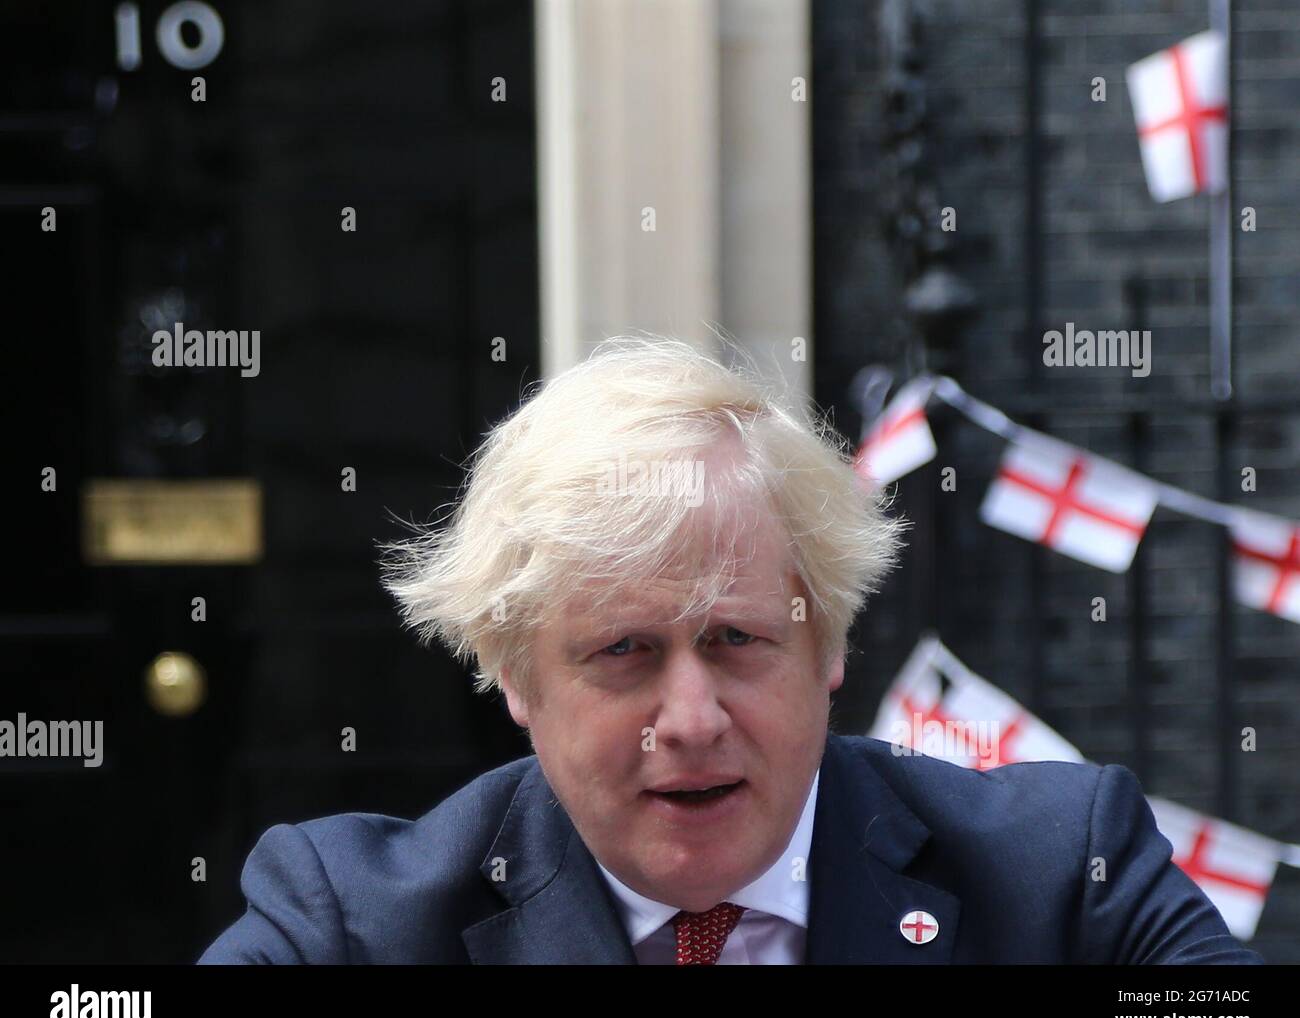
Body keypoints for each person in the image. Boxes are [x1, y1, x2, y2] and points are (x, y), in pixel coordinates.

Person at [199, 336, 1261, 965]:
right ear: (517, 675)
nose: (693, 718)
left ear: (828, 644)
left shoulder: (1063, 875)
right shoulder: (351, 922)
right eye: (621, 650)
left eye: (737, 638)